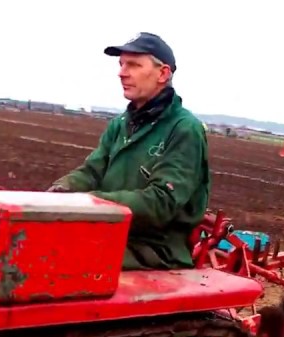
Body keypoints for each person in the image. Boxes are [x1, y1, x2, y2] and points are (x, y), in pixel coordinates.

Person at [48, 32, 210, 270]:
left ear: (163, 74)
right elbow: (92, 171)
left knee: (58, 258)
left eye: (133, 65)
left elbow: (161, 203)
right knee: (35, 242)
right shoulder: (121, 123)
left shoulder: (184, 129)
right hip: (112, 232)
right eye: (121, 64)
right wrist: (58, 192)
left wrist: (90, 202)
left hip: (155, 249)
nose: (122, 73)